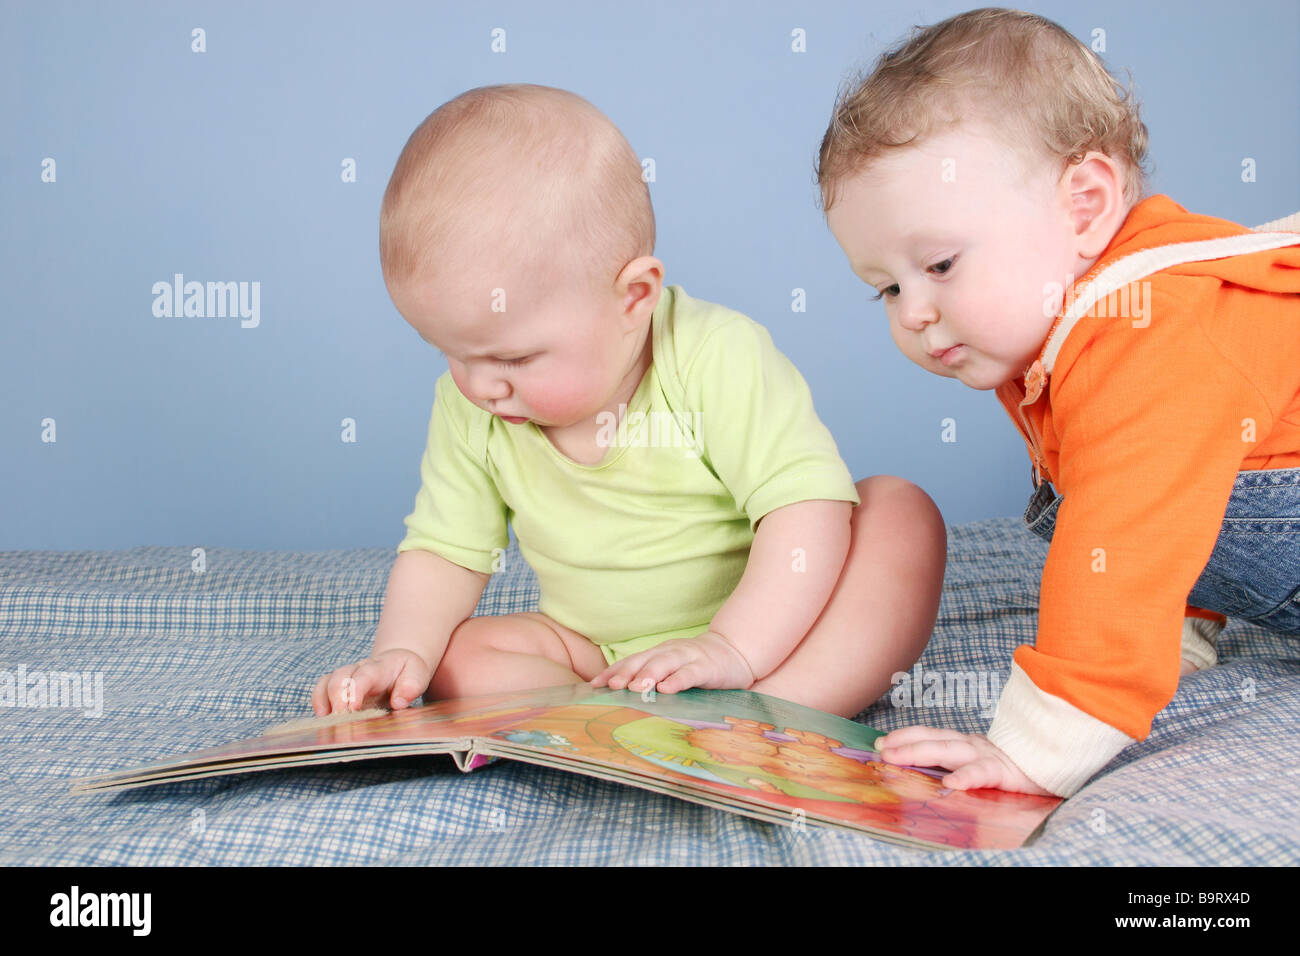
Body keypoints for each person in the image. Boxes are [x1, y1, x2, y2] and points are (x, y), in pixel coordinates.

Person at [312, 83, 947, 722]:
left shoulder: (714, 355)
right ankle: (615, 723)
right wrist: (400, 651)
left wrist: (731, 646)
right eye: (448, 350)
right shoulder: (472, 404)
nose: (480, 385)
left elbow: (803, 510)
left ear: (633, 297)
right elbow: (445, 550)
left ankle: (779, 709)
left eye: (513, 358)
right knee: (455, 659)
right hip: (596, 653)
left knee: (899, 514)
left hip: (779, 631)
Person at [819, 7, 1300, 797]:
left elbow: (1131, 527)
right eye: (887, 288)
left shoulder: (1154, 323)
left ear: (1084, 205)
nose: (912, 311)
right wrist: (1179, 630)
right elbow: (1187, 505)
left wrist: (1031, 751)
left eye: (940, 263)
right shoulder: (1066, 344)